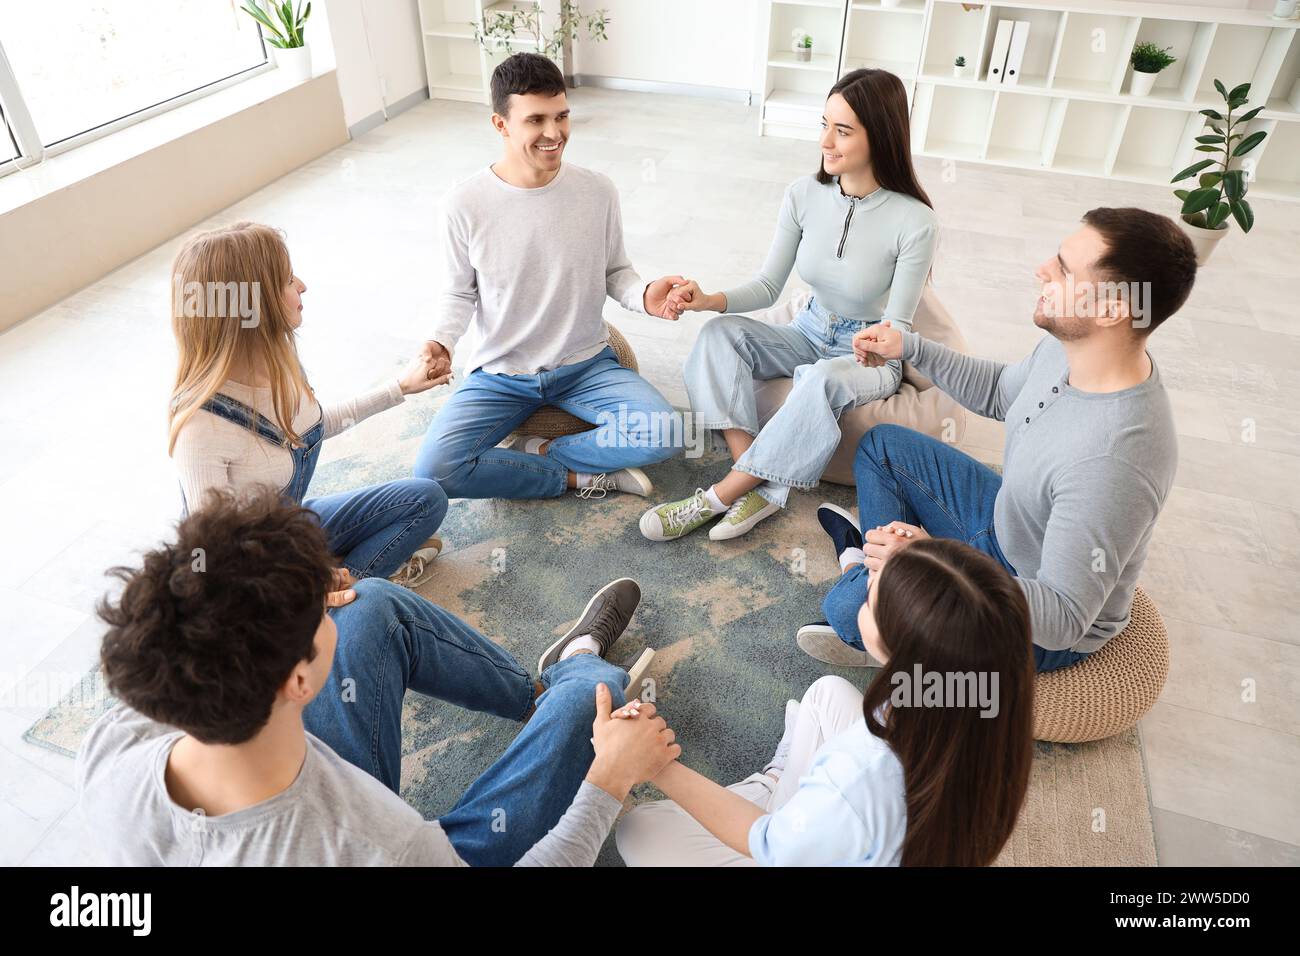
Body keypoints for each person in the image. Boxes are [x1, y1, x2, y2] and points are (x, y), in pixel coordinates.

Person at [76, 490, 674, 867]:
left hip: (267, 784)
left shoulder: (116, 737)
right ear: (298, 682)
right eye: (318, 609)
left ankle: (534, 693)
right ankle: (579, 664)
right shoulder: (384, 843)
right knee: (583, 708)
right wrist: (608, 784)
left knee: (370, 606)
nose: (333, 592)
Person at [801, 207, 1196, 671]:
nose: (1042, 270)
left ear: (1112, 310)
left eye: (1064, 271)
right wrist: (909, 347)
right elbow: (998, 393)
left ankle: (860, 572)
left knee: (845, 613)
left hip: (1033, 624)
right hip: (1007, 529)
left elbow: (1062, 616)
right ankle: (875, 578)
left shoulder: (1114, 461)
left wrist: (930, 562)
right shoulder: (1068, 348)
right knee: (883, 445)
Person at [638, 69, 938, 543]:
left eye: (842, 131)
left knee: (819, 378)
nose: (825, 141)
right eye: (825, 124)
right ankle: (755, 483)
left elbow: (897, 324)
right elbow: (767, 285)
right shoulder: (803, 194)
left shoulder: (915, 221)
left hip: (868, 353)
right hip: (809, 329)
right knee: (718, 336)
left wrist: (877, 346)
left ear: (880, 135)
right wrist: (708, 301)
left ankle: (716, 496)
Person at [616, 538, 1034, 866]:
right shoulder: (984, 698)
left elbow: (767, 845)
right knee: (826, 693)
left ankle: (776, 794)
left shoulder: (861, 773)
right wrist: (918, 563)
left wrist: (659, 767)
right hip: (891, 832)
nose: (865, 585)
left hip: (828, 834)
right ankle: (779, 787)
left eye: (871, 597)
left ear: (896, 644)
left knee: (639, 831)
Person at [412, 52, 687, 502]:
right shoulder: (464, 203)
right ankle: (577, 476)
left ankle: (539, 451)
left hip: (585, 364)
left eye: (561, 116)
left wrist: (644, 296)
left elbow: (616, 272)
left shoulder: (597, 190)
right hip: (501, 372)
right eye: (535, 120)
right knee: (434, 470)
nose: (554, 133)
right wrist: (441, 341)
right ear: (501, 125)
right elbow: (459, 292)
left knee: (666, 433)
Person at [169, 221, 449, 588]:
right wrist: (299, 581)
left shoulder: (277, 364)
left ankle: (338, 584)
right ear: (253, 303)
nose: (302, 285)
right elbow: (208, 561)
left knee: (426, 499)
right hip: (244, 573)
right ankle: (336, 594)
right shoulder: (201, 429)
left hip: (288, 529)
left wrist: (399, 388)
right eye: (287, 279)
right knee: (358, 602)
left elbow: (312, 425)